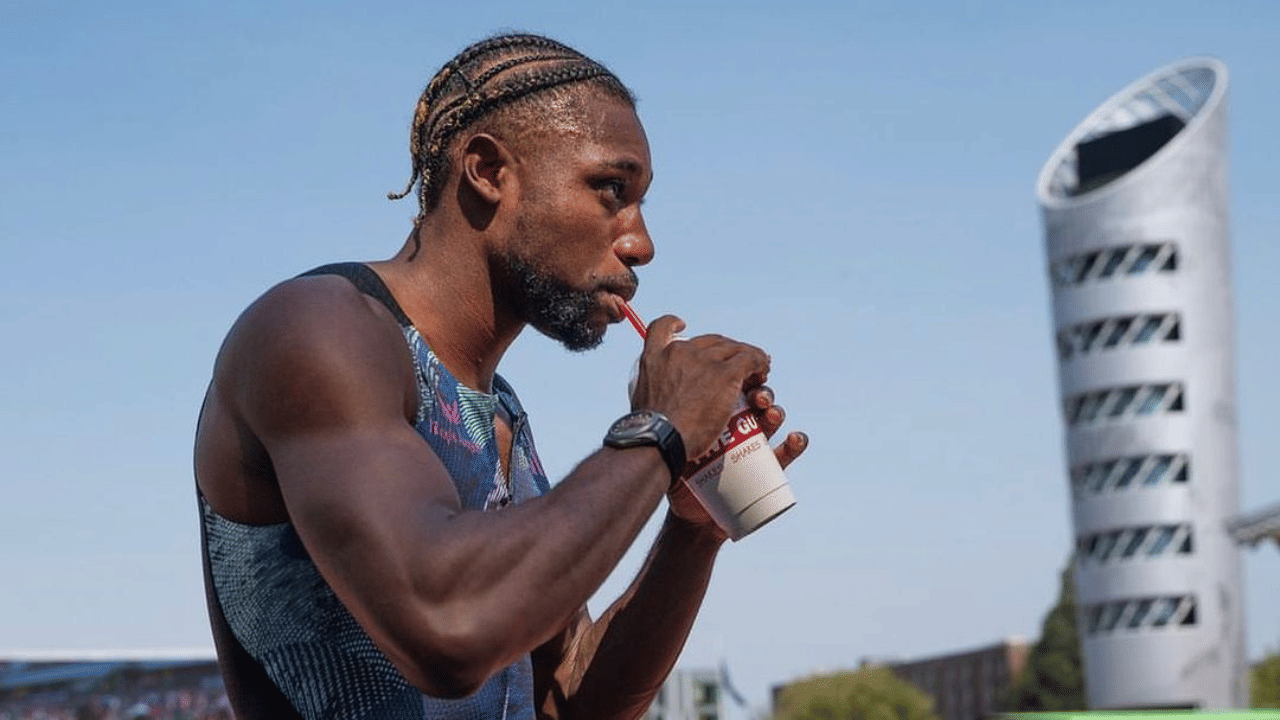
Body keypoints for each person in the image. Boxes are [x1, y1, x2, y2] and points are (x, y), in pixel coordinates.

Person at [194, 32, 808, 720]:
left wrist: (691, 532)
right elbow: (446, 629)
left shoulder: (502, 412)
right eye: (612, 189)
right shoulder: (319, 330)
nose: (641, 243)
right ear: (488, 170)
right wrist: (657, 430)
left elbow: (572, 697)